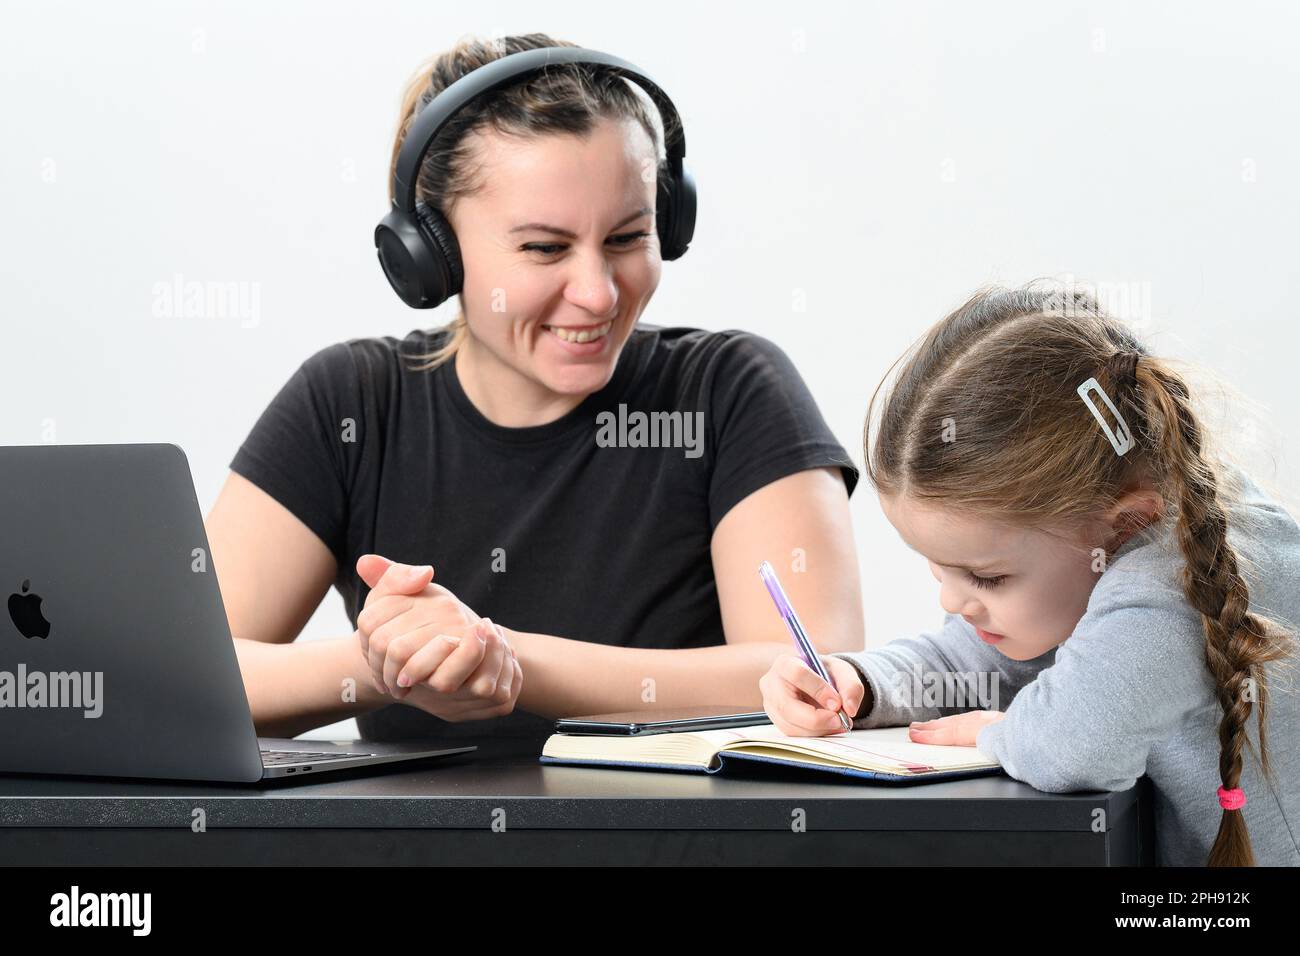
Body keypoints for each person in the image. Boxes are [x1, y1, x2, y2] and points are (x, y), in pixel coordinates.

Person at [205, 34, 865, 746]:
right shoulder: (349, 404)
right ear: (432, 254)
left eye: (627, 237)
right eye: (545, 248)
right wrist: (391, 664)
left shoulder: (732, 391)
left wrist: (506, 660)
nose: (597, 292)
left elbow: (816, 680)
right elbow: (185, 677)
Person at [759, 282, 1300, 866]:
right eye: (938, 571)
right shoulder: (1156, 525)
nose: (952, 600)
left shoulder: (1168, 588)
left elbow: (1076, 747)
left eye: (986, 579)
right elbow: (974, 662)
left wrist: (1002, 732)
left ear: (1123, 524)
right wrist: (859, 682)